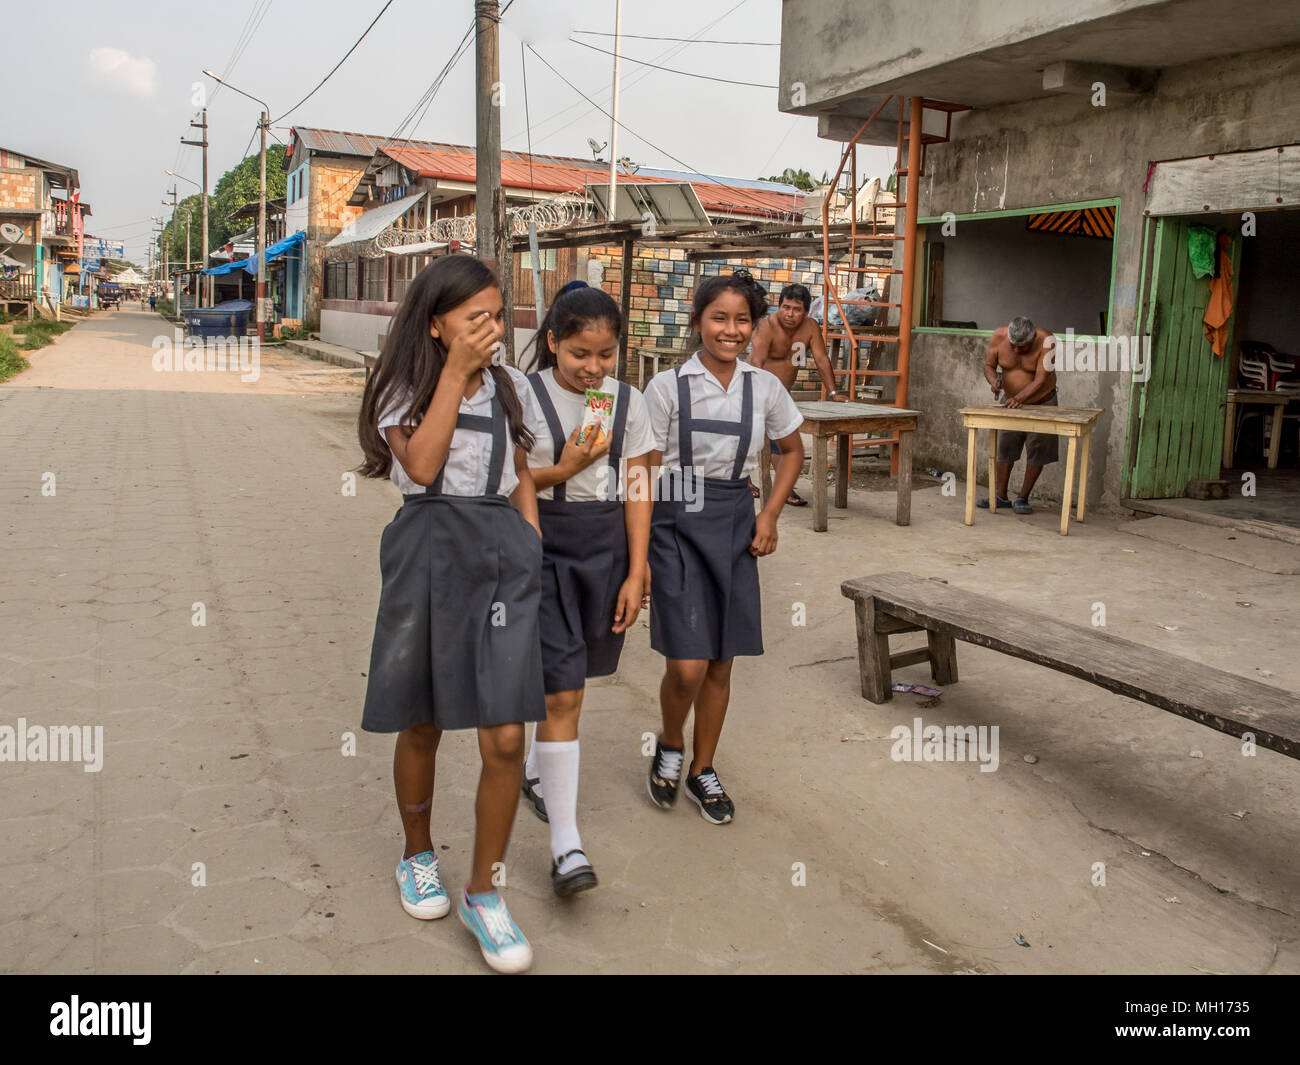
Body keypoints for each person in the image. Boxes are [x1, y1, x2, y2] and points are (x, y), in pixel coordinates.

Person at [357, 254, 545, 974]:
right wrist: (454, 374)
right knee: (423, 719)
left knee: (506, 733)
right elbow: (423, 467)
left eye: (496, 316)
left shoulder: (508, 385)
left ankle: (483, 893)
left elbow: (521, 473)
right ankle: (417, 855)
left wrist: (529, 542)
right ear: (436, 325)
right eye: (475, 318)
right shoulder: (402, 385)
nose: (491, 329)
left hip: (500, 554)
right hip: (428, 550)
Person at [642, 268, 805, 824]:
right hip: (675, 522)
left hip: (735, 518)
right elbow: (641, 469)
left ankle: (702, 768)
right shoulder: (667, 388)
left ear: (753, 325)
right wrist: (637, 553)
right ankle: (670, 742)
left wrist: (770, 514)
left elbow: (792, 451)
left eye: (742, 320)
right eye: (719, 318)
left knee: (719, 661)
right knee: (687, 665)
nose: (730, 330)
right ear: (697, 321)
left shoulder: (765, 388)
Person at [516, 281, 654, 895]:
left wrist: (637, 569)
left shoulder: (625, 402)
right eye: (579, 354)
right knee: (564, 692)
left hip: (604, 551)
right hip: (542, 548)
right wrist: (566, 469)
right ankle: (567, 845)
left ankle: (534, 765)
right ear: (552, 343)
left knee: (570, 682)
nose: (593, 368)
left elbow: (639, 486)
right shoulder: (523, 395)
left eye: (605, 354)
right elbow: (508, 483)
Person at [748, 283, 849, 506]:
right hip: (754, 388)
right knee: (746, 438)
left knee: (781, 440)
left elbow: (821, 359)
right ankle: (744, 481)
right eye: (786, 307)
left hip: (781, 393)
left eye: (796, 309)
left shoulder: (810, 327)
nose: (790, 314)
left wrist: (833, 392)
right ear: (779, 306)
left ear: (806, 311)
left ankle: (784, 488)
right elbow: (756, 363)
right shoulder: (767, 327)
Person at [979, 315, 1059, 514]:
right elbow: (989, 366)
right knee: (1005, 447)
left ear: (1032, 338)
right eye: (1012, 345)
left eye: (1022, 347)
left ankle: (1023, 498)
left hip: (1042, 403)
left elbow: (1041, 379)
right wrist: (994, 382)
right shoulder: (999, 336)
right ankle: (1001, 497)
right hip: (1011, 403)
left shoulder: (1047, 340)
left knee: (1038, 451)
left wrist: (1020, 397)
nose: (1016, 350)